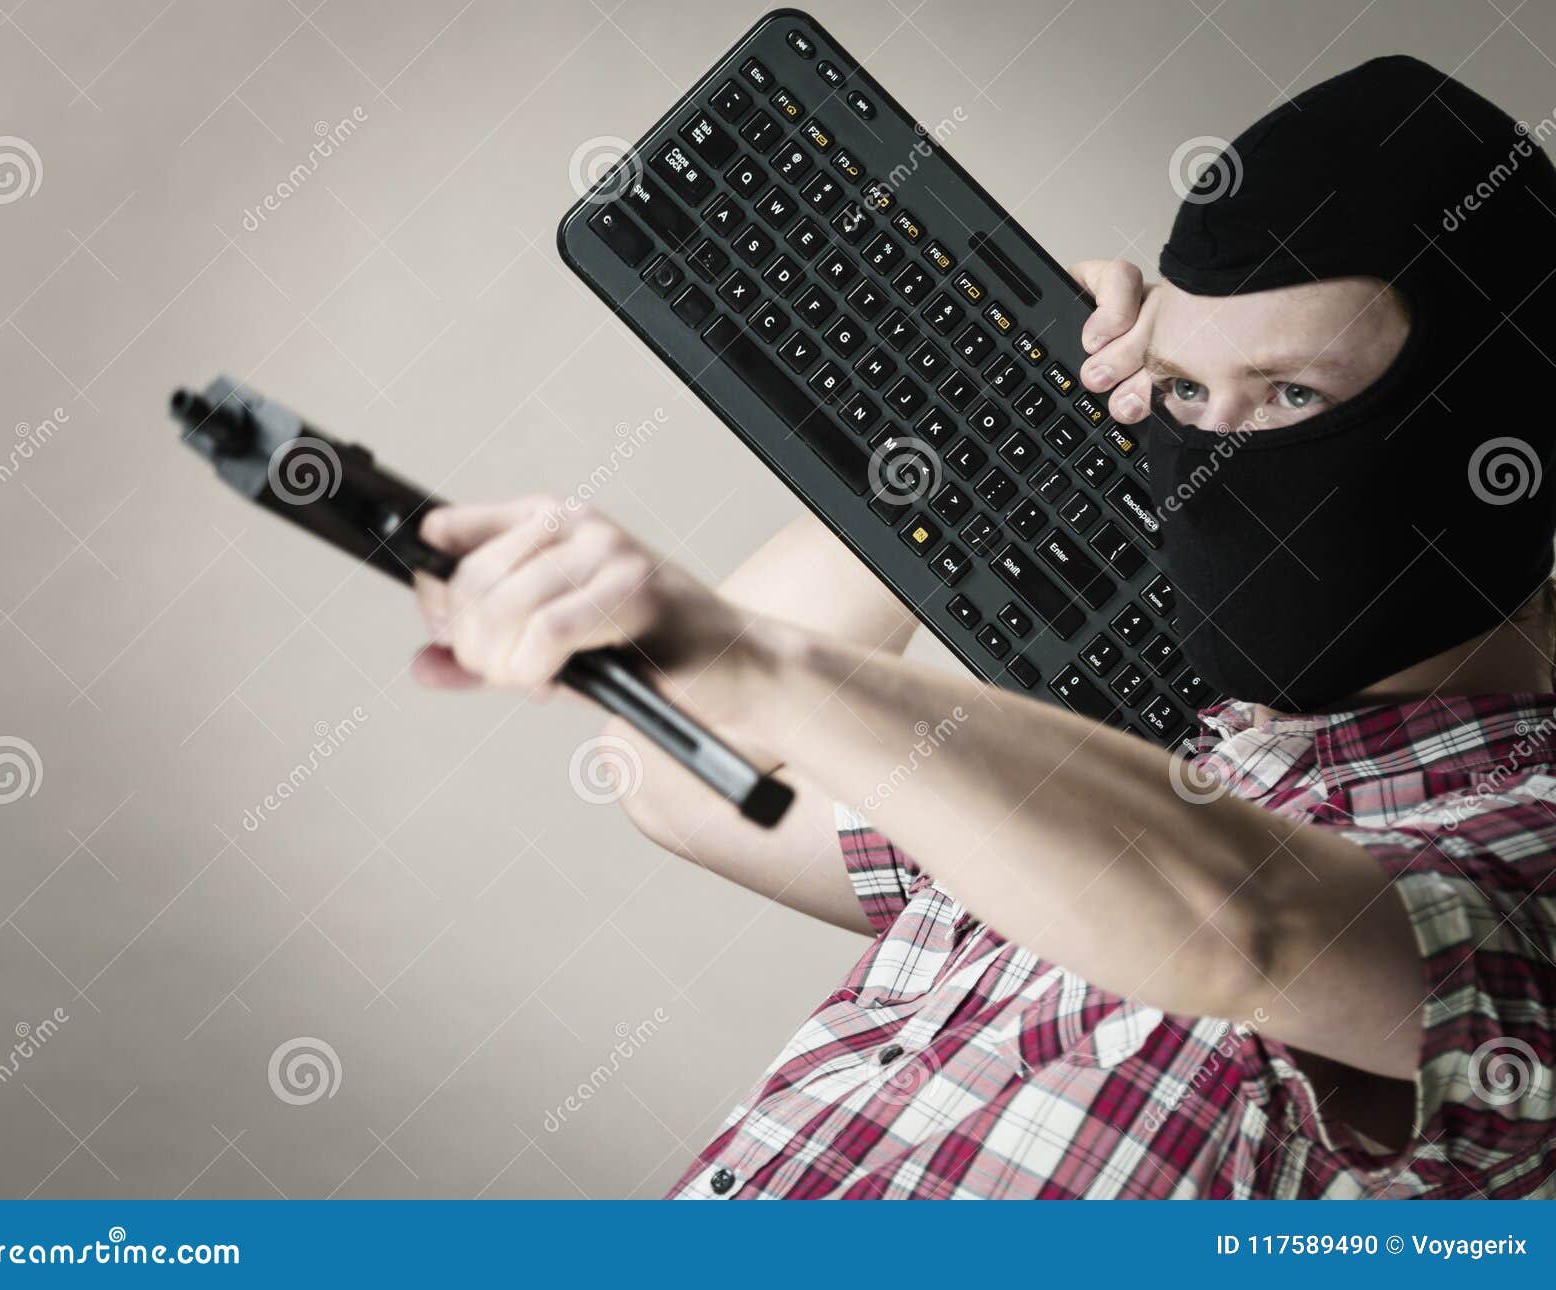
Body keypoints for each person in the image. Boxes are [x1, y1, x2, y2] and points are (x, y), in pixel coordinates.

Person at [413, 56, 1556, 1197]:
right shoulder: (1143, 769)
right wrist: (985, 426)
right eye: (1181, 394)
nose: (1208, 458)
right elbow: (673, 775)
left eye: (1291, 396)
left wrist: (753, 664)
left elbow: (1246, 929)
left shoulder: (1516, 841)